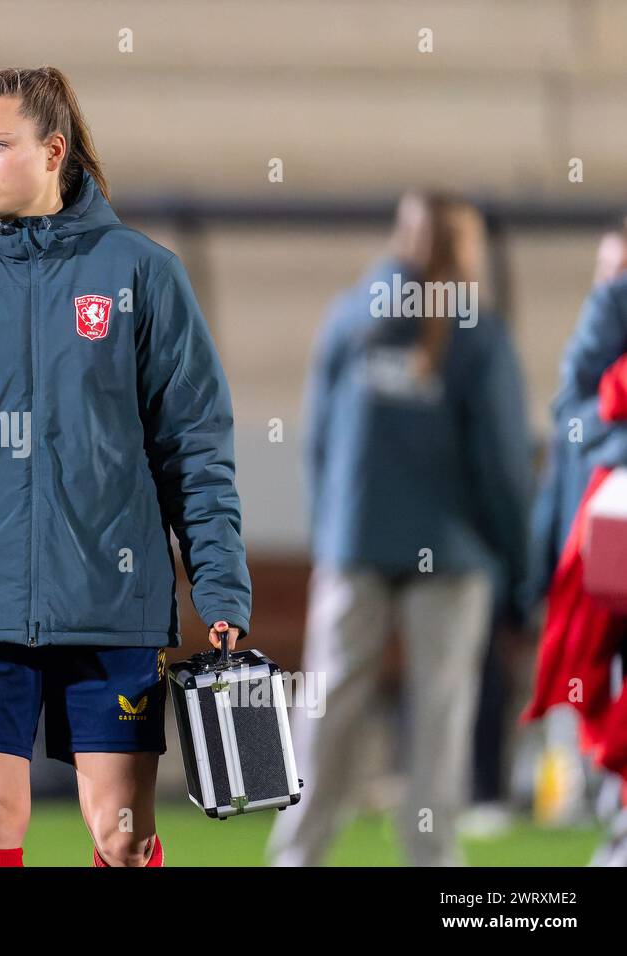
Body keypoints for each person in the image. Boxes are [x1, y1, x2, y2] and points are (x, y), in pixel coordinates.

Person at [0, 66, 251, 867]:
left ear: (53, 149)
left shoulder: (144, 274)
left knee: (123, 839)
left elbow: (194, 449)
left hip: (113, 603)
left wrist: (222, 581)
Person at [267, 193, 531, 866]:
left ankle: (298, 853)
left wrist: (333, 530)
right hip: (451, 556)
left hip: (354, 548)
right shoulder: (480, 333)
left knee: (326, 710)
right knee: (437, 720)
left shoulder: (350, 316)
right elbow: (500, 464)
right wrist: (519, 562)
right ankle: (432, 861)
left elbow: (318, 441)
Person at [522, 221, 627, 864]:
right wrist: (534, 580)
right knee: (587, 735)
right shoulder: (589, 386)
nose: (611, 282)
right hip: (590, 581)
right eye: (607, 269)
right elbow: (568, 441)